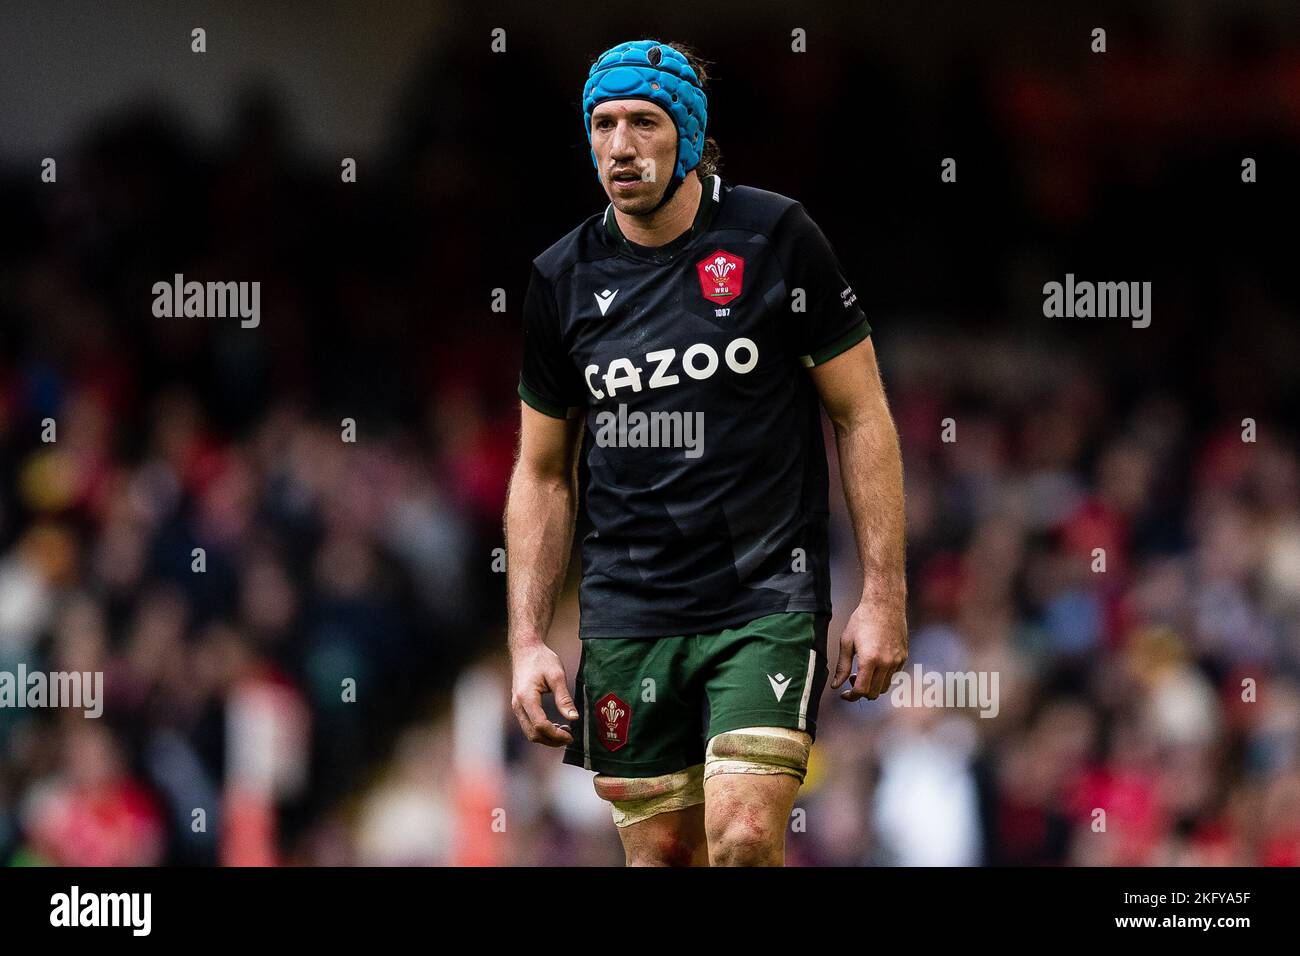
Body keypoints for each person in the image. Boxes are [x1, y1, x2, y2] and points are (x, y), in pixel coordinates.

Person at [504, 39, 907, 866]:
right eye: (603, 124)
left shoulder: (777, 238)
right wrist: (527, 639)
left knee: (746, 832)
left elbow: (863, 416)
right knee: (663, 856)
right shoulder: (559, 280)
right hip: (627, 608)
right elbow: (542, 472)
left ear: (686, 134)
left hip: (765, 591)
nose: (621, 145)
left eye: (644, 123)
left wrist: (885, 596)